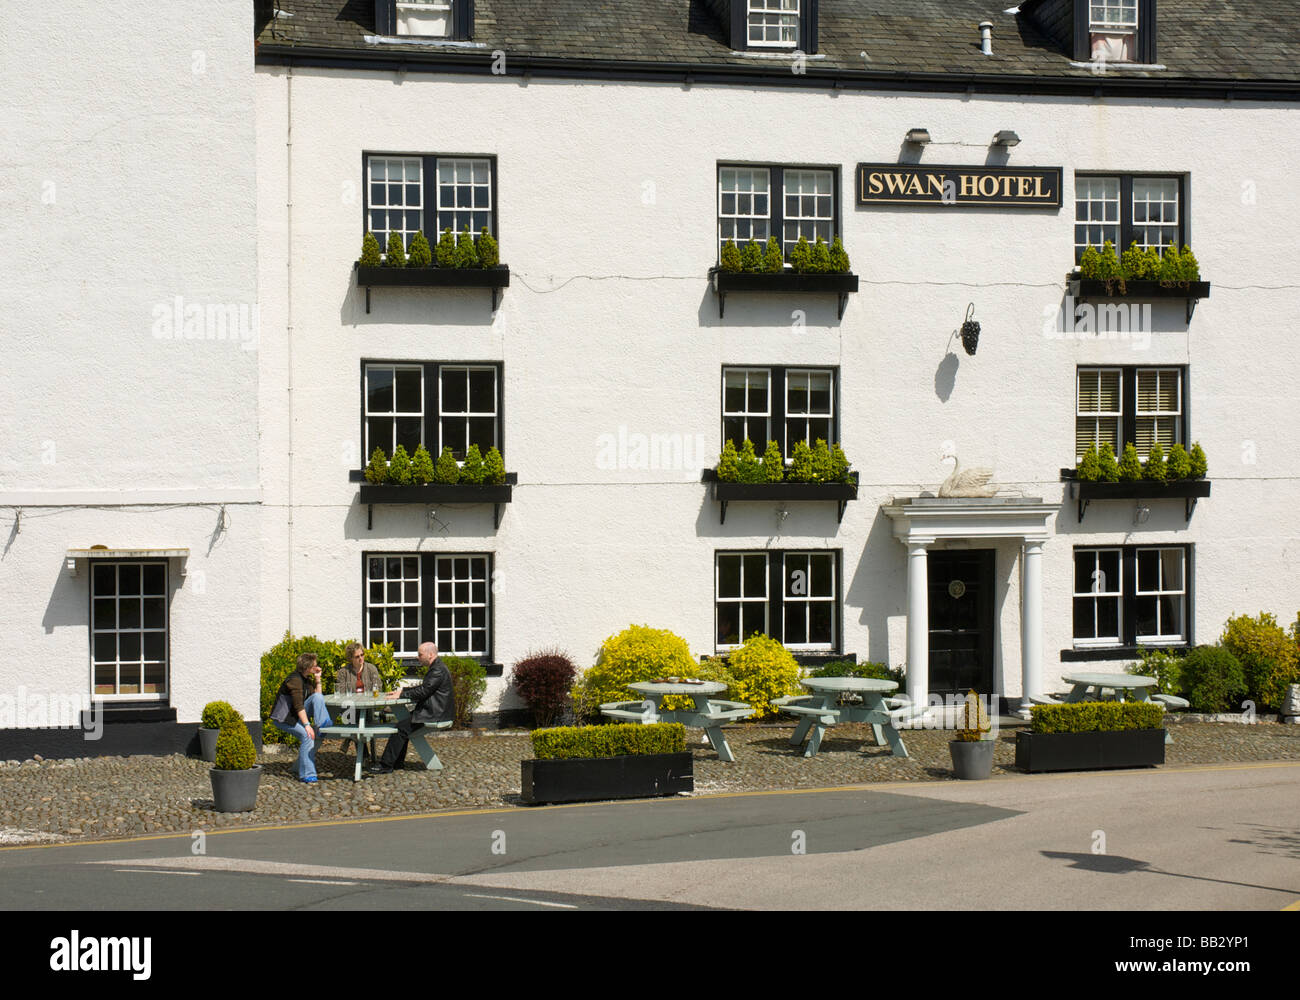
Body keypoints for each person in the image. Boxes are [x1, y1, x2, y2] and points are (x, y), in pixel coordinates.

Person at [368, 641, 455, 774]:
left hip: (435, 714)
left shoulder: (437, 670)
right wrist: (402, 692)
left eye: (420, 655)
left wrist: (401, 695)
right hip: (435, 711)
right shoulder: (438, 667)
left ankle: (386, 765)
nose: (417, 657)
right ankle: (397, 762)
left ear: (430, 655)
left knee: (401, 728)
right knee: (403, 726)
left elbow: (423, 691)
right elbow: (424, 688)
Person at [269, 652, 333, 783]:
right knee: (307, 735)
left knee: (317, 696)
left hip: (296, 715)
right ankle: (307, 774)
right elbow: (298, 705)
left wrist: (318, 679)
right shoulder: (294, 680)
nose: (317, 667)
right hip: (284, 718)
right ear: (308, 667)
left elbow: (317, 699)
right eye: (315, 665)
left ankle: (322, 725)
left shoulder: (306, 679)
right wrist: (307, 725)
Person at [335, 641, 381, 760]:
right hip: (350, 707)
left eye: (362, 655)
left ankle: (350, 740)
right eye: (357, 656)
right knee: (353, 719)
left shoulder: (371, 669)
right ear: (351, 658)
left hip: (368, 706)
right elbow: (341, 692)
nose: (361, 658)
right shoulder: (343, 672)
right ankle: (364, 756)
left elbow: (378, 687)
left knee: (355, 723)